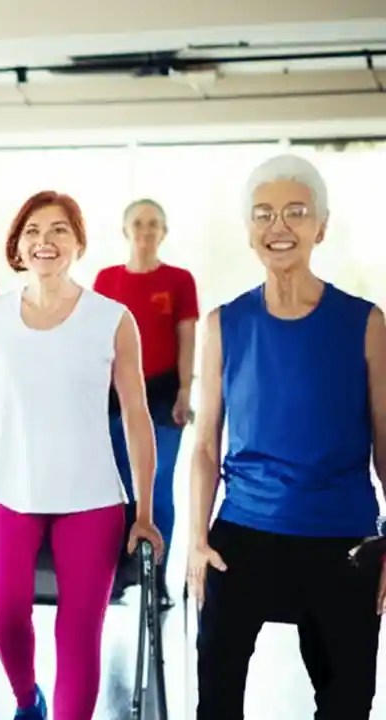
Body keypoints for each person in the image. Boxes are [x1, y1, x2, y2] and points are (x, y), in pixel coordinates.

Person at [186, 154, 386, 720]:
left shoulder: (366, 322)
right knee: (216, 697)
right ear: (249, 230)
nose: (279, 226)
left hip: (341, 536)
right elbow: (204, 445)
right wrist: (197, 540)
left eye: (296, 212)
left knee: (348, 702)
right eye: (264, 214)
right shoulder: (224, 322)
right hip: (245, 533)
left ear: (320, 226)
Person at [0, 191, 163, 720]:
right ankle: (28, 699)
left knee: (78, 632)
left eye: (58, 230)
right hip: (5, 490)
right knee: (3, 613)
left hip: (90, 497)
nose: (44, 241)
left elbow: (138, 418)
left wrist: (143, 513)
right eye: (33, 231)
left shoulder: (112, 318)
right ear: (17, 245)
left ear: (78, 243)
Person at [94, 199, 199, 606]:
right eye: (138, 223)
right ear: (125, 230)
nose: (145, 230)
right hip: (113, 394)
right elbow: (94, 338)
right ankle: (121, 572)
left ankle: (156, 576)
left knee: (157, 486)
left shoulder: (179, 280)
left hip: (162, 393)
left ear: (164, 231)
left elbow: (187, 336)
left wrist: (185, 391)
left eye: (154, 223)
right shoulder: (107, 279)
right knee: (119, 486)